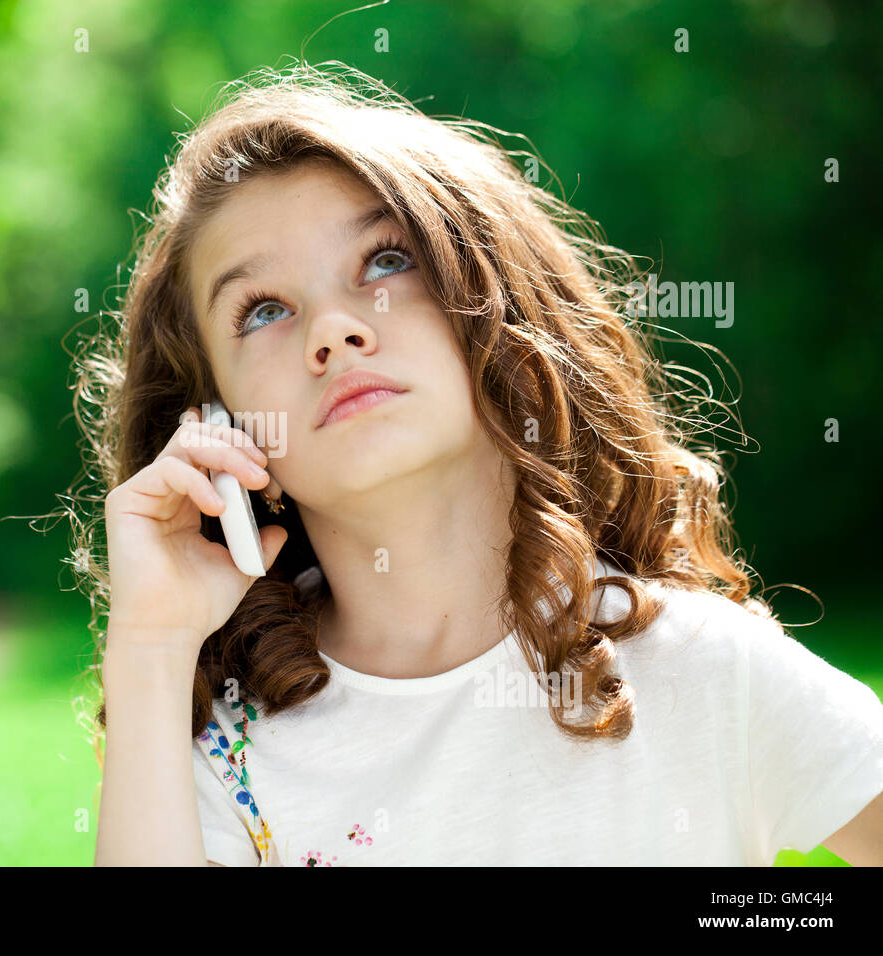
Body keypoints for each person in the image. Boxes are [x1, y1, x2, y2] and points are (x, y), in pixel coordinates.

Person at [68, 62, 883, 866]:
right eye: (265, 310)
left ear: (503, 312)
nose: (334, 329)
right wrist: (152, 645)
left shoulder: (700, 669)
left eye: (386, 261)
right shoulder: (229, 754)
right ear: (221, 429)